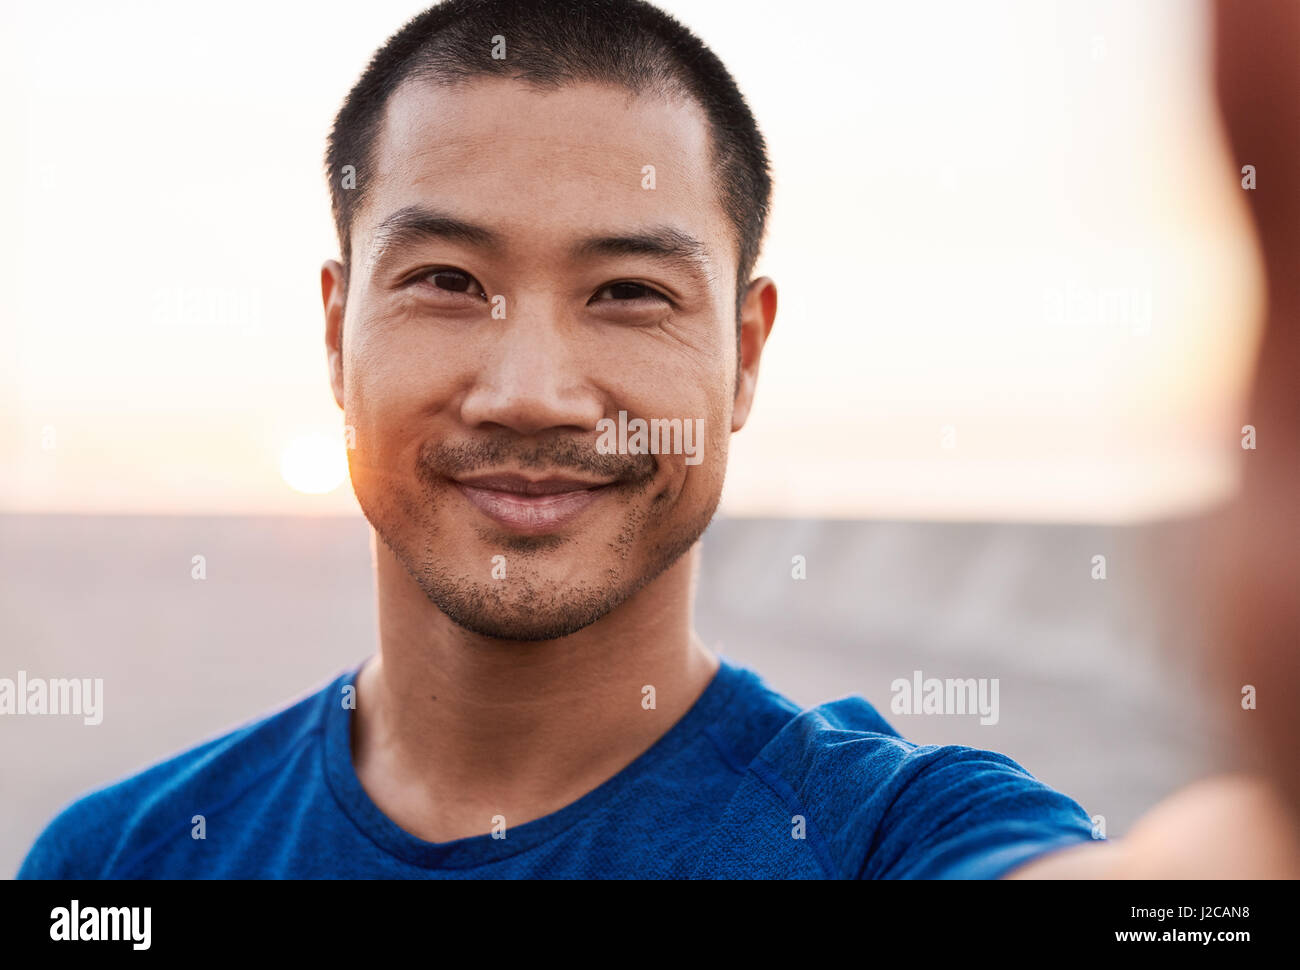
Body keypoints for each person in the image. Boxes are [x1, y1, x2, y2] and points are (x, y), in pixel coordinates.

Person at [17, 0, 1295, 879]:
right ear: (337, 328)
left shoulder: (879, 837)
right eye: (448, 280)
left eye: (628, 291)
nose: (531, 393)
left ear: (744, 355)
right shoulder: (119, 860)